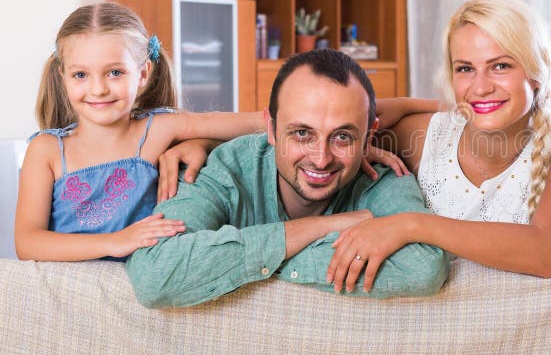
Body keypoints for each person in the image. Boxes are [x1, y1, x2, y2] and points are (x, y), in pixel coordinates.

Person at [126, 49, 449, 308]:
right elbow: (155, 272)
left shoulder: (384, 180)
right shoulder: (225, 167)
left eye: (342, 138)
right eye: (302, 133)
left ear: (369, 139)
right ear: (270, 128)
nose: (321, 158)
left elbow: (423, 267)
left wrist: (244, 261)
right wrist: (318, 228)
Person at [323, 0, 551, 293]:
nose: (480, 87)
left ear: (536, 74)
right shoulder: (428, 136)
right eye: (465, 69)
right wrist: (355, 148)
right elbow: (299, 123)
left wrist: (409, 225)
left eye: (501, 66)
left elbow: (546, 253)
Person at [14, 2, 264, 262]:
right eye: (80, 74)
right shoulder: (46, 150)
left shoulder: (157, 130)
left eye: (114, 72)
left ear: (143, 73)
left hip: (137, 293)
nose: (98, 88)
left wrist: (204, 142)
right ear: (62, 75)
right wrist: (113, 242)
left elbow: (251, 123)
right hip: (67, 293)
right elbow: (27, 243)